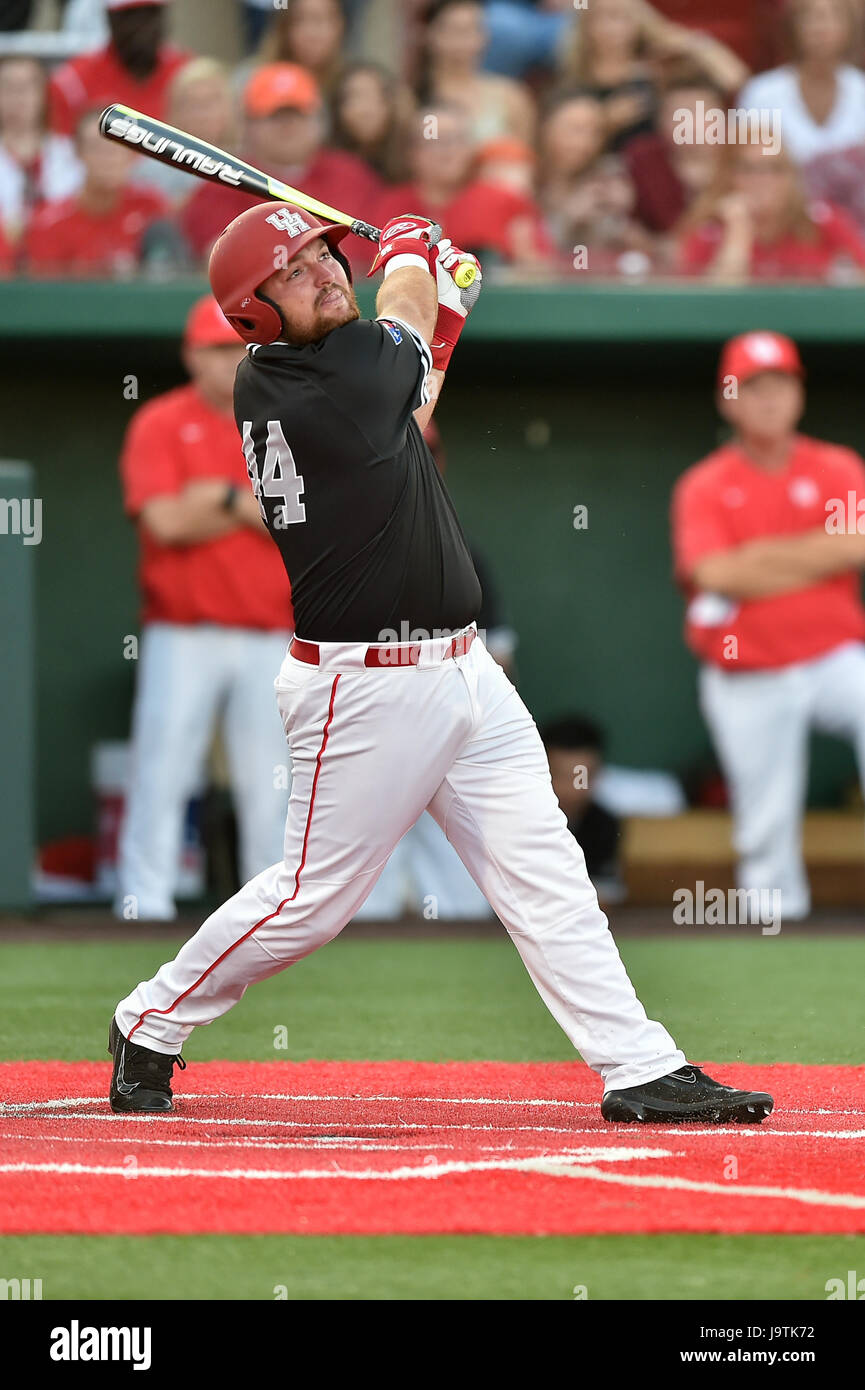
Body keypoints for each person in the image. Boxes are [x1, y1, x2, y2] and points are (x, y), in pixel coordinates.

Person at [107, 197, 773, 1128]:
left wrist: (443, 309)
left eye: (322, 254)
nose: (326, 271)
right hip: (365, 685)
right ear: (256, 314)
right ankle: (149, 1020)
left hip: (462, 672)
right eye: (293, 273)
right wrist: (414, 242)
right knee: (311, 901)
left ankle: (638, 1064)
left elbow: (410, 395)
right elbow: (401, 326)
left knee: (546, 873)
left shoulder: (330, 371)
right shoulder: (299, 378)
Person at [671, 330, 865, 922]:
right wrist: (815, 552)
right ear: (728, 398)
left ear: (799, 393)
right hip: (746, 666)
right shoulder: (704, 484)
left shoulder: (838, 466)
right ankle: (776, 932)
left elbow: (856, 546)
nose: (768, 398)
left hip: (834, 656)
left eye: (780, 384)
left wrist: (756, 560)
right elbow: (714, 573)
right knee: (766, 818)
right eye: (752, 387)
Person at [115, 295, 294, 924]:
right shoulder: (160, 422)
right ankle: (144, 905)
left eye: (239, 346)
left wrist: (219, 498)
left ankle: (266, 922)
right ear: (193, 355)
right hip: (182, 631)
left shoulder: (278, 422)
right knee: (162, 770)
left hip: (273, 632)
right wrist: (250, 509)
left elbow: (297, 523)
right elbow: (165, 521)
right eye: (217, 348)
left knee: (269, 783)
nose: (231, 360)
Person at [179, 63, 381, 274]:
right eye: (274, 115)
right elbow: (221, 267)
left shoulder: (353, 177)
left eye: (298, 114)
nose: (288, 125)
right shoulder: (222, 183)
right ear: (248, 124)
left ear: (319, 121)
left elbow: (377, 258)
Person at [375, 105, 552, 272]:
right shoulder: (392, 207)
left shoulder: (505, 201)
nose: (447, 151)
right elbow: (369, 273)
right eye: (434, 141)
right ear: (412, 153)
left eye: (457, 140)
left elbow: (549, 274)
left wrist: (526, 263)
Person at [557, 0, 747, 152]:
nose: (610, 28)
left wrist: (689, 41)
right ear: (585, 26)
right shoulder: (572, 84)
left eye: (619, 17)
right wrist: (604, 125)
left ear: (638, 22)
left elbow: (734, 78)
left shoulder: (658, 71)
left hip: (657, 170)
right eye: (600, 17)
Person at [677, 131, 865, 283]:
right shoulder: (709, 229)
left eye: (774, 169)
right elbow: (708, 307)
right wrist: (738, 230)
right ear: (729, 176)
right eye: (749, 169)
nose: (762, 180)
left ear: (791, 176)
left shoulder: (822, 220)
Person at [23, 108, 173, 276]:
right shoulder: (49, 223)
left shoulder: (151, 206)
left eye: (118, 145)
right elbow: (44, 295)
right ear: (78, 152)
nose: (108, 157)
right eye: (97, 147)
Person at [737, 0, 865, 166]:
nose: (820, 27)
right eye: (809, 16)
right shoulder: (759, 93)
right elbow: (744, 165)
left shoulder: (861, 91)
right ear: (792, 26)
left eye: (833, 16)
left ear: (851, 27)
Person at [48, 0, 191, 138]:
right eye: (131, 16)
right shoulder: (72, 82)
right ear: (110, 19)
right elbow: (61, 156)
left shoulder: (187, 75)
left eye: (151, 14)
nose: (143, 28)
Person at [416, 0, 536, 144]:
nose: (463, 41)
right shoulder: (411, 99)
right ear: (429, 34)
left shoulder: (512, 98)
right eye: (454, 30)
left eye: (473, 29)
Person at [0, 57, 82, 251]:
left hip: (61, 260)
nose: (18, 96)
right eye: (7, 87)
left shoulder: (73, 154)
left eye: (27, 86)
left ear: (44, 93)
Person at [131, 58, 237, 206]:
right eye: (193, 104)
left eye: (210, 102)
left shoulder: (247, 164)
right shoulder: (150, 170)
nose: (203, 115)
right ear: (175, 113)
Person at [541, 716, 624, 904]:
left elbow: (606, 896)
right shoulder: (516, 823)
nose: (573, 791)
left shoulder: (604, 825)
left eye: (582, 777)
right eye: (561, 776)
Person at [330, 61, 415, 184]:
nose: (365, 110)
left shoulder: (413, 163)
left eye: (376, 96)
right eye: (354, 98)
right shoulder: (330, 167)